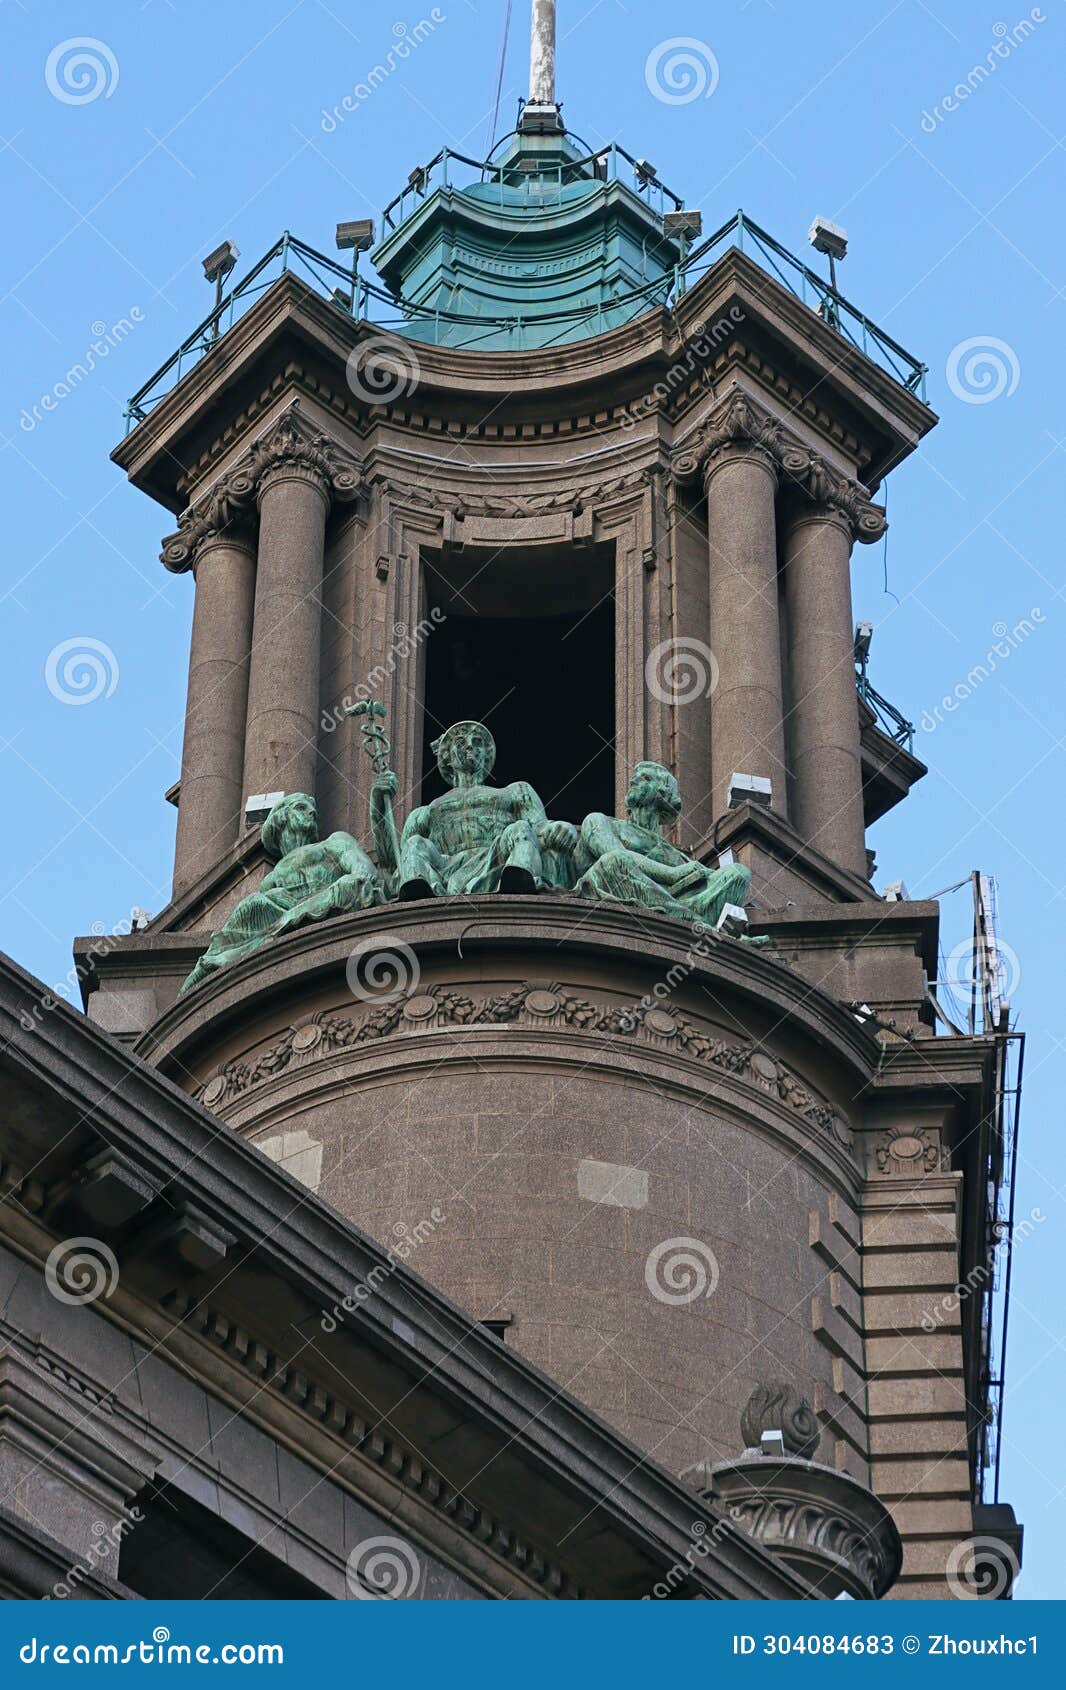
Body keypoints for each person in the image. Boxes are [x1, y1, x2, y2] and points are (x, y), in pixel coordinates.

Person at [180, 792, 386, 994]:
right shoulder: (269, 881)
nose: (312, 812)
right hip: (282, 914)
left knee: (352, 885)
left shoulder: (333, 841)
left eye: (312, 808)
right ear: (280, 819)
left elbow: (364, 872)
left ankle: (238, 953)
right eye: (301, 807)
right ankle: (208, 967)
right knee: (252, 903)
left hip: (333, 898)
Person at [376, 720, 576, 900]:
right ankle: (418, 891)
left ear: (486, 754)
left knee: (521, 828)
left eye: (478, 742)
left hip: (497, 860)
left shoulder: (515, 791)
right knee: (415, 843)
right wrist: (377, 800)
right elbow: (393, 863)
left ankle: (519, 882)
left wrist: (564, 828)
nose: (470, 745)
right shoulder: (425, 812)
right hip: (446, 868)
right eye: (461, 742)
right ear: (447, 757)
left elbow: (541, 828)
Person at [574, 760, 755, 928]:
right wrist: (672, 873)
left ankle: (696, 919)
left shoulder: (674, 854)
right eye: (634, 778)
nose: (634, 780)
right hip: (613, 890)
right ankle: (698, 923)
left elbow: (696, 883)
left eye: (645, 778)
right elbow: (616, 855)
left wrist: (701, 875)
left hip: (676, 903)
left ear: (664, 794)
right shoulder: (599, 821)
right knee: (613, 861)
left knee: (738, 873)